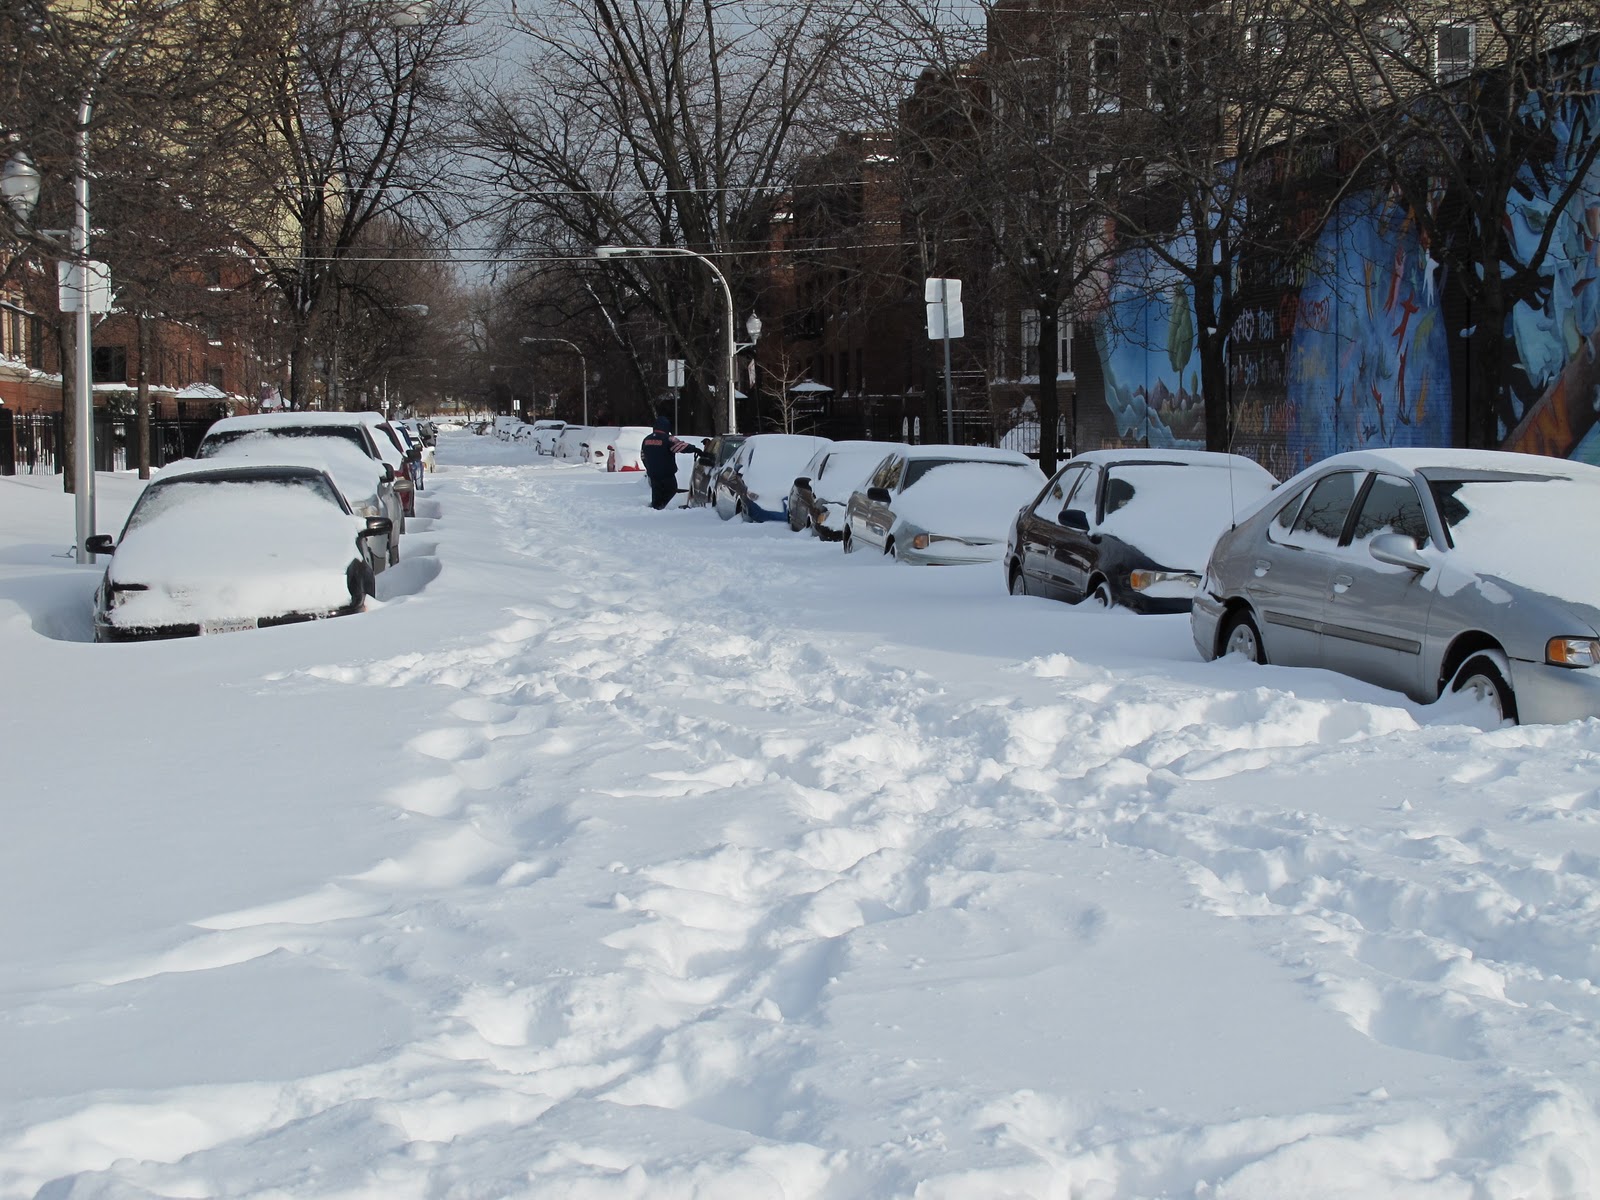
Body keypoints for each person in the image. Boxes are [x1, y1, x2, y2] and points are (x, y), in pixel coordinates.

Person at [640, 414, 700, 510]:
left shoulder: (646, 440)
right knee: (671, 492)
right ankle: (665, 511)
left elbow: (643, 456)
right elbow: (681, 446)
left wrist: (649, 468)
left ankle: (655, 509)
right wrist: (695, 449)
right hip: (667, 475)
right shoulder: (668, 438)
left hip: (653, 475)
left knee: (657, 495)